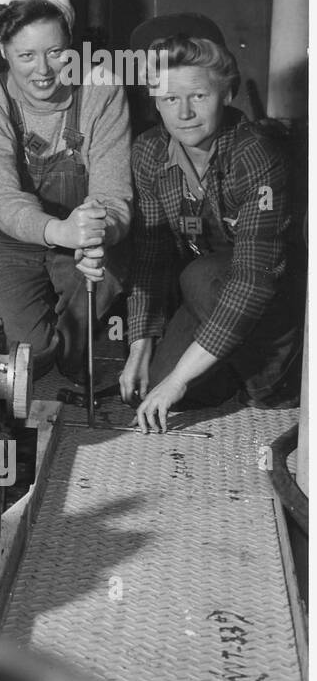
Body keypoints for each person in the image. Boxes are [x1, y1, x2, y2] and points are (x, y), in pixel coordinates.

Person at [120, 35, 302, 431]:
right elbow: (151, 258)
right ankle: (233, 370)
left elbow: (253, 281)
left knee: (198, 278)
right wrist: (139, 346)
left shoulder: (256, 154)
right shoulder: (149, 153)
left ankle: (276, 382)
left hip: (273, 298)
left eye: (198, 96)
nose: (184, 112)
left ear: (227, 94)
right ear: (155, 102)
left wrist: (179, 380)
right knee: (156, 380)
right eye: (169, 99)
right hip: (211, 295)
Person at [0, 0, 132, 376]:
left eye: (55, 52)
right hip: (4, 234)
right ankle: (50, 344)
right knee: (27, 359)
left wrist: (97, 233)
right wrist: (61, 231)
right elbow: (3, 199)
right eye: (25, 55)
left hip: (80, 228)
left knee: (82, 350)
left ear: (71, 45)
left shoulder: (101, 89)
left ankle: (77, 346)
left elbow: (113, 193)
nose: (42, 70)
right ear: (4, 51)